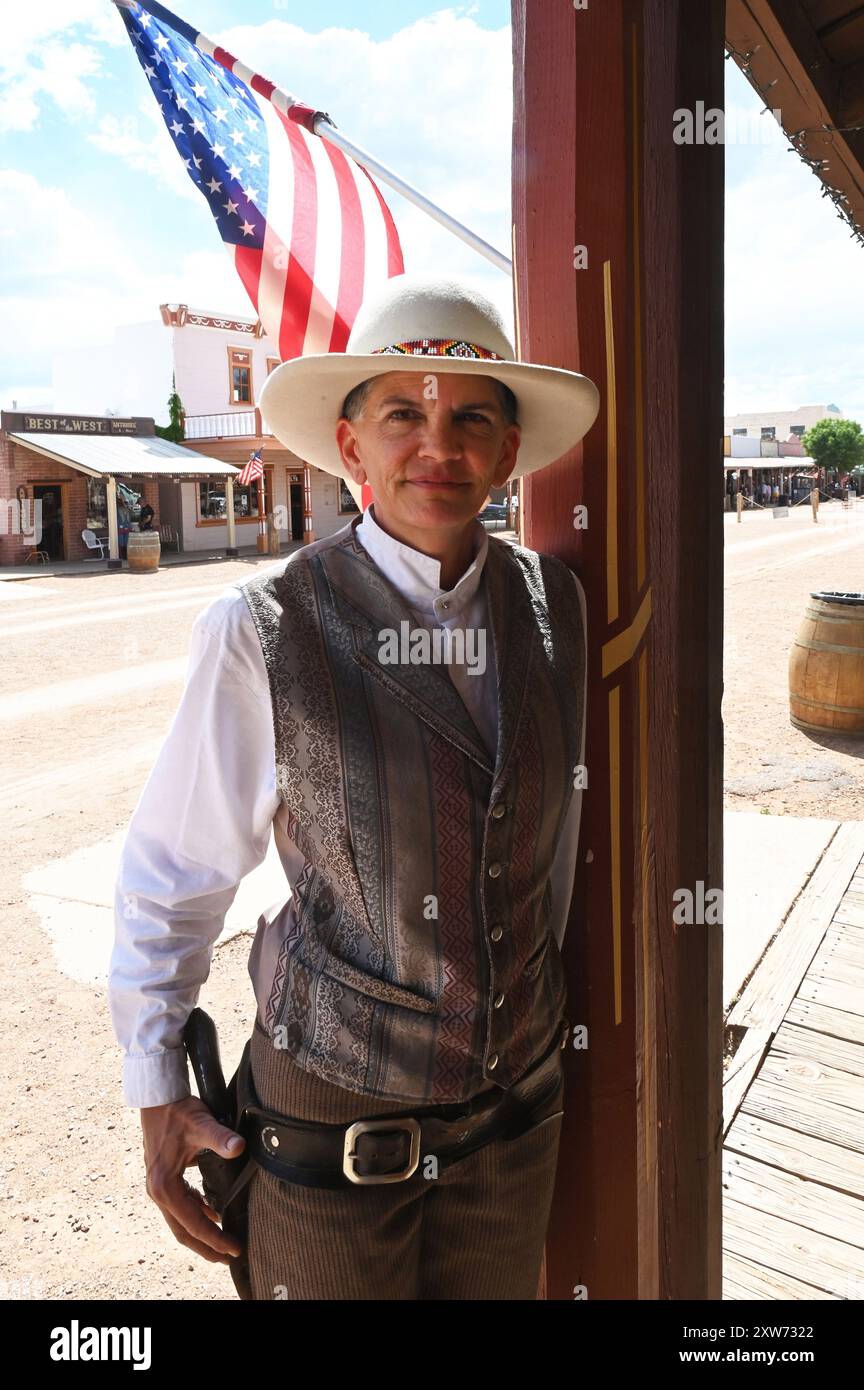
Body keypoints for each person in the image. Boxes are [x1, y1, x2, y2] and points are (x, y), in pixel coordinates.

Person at [108, 274, 600, 1300]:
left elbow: (545, 860)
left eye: (472, 417)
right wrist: (156, 1082)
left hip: (511, 1126)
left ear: (509, 452)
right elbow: (176, 865)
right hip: (333, 1129)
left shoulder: (555, 605)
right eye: (403, 414)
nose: (440, 445)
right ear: (351, 446)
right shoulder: (262, 628)